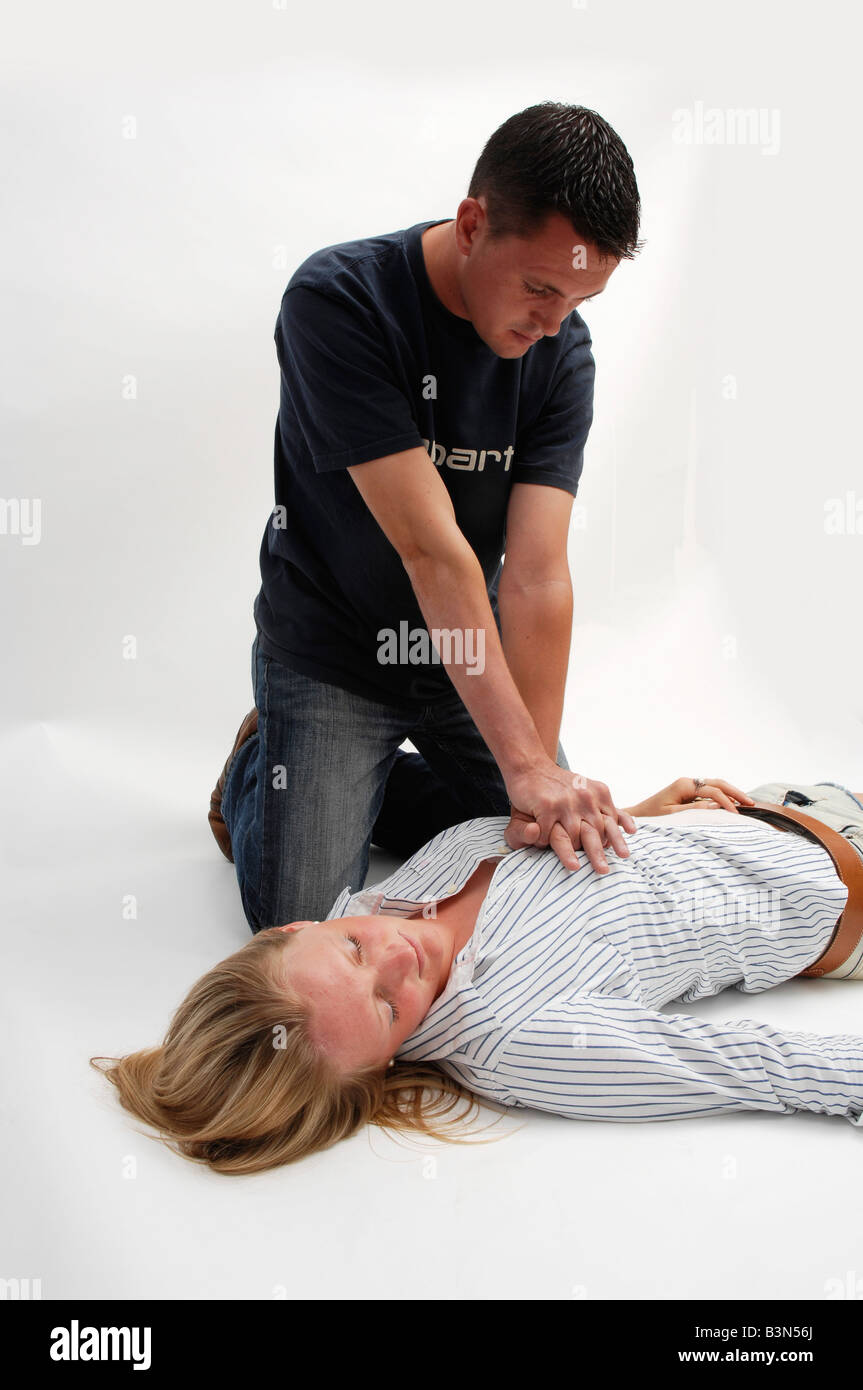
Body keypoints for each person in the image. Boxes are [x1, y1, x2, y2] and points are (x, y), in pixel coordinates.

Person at [207, 100, 646, 933]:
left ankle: (379, 785)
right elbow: (430, 549)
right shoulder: (339, 302)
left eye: (580, 298)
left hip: (463, 654)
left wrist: (529, 788)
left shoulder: (561, 351)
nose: (552, 322)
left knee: (548, 881)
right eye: (540, 288)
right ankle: (255, 764)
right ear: (473, 223)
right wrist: (519, 764)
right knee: (308, 928)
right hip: (333, 655)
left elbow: (539, 575)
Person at [92, 776, 863, 1175]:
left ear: (296, 927)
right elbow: (755, 1066)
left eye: (354, 952)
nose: (402, 956)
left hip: (788, 801)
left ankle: (252, 776)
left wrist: (640, 813)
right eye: (389, 1009)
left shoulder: (382, 898)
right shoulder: (524, 1039)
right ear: (382, 1062)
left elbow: (595, 888)